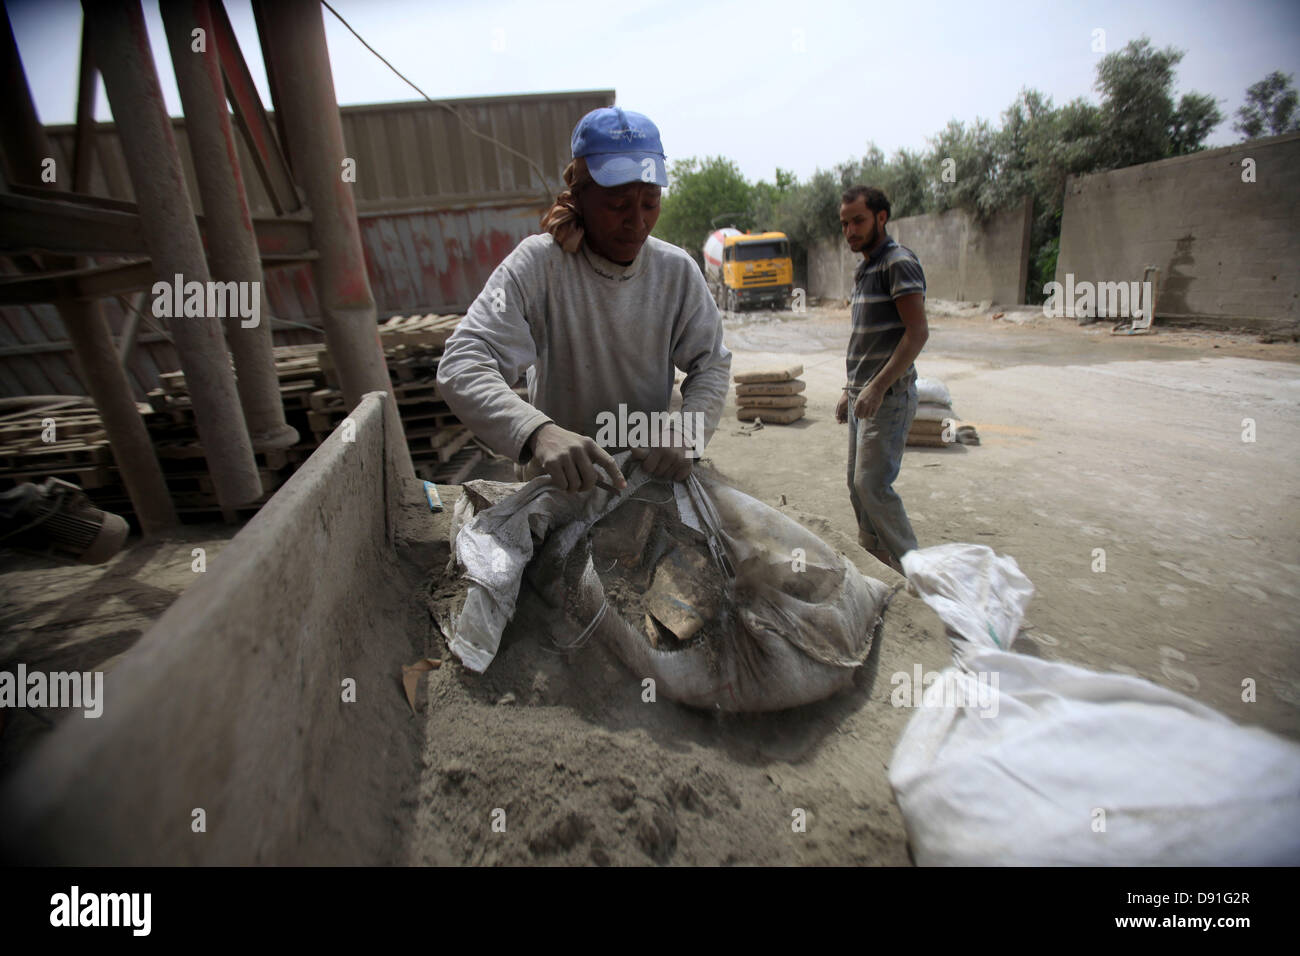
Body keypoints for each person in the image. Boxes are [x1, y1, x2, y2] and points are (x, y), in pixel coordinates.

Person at [436, 107, 731, 492]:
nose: (637, 222)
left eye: (650, 201)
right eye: (618, 204)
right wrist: (536, 433)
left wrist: (688, 432)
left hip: (644, 483)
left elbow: (711, 363)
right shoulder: (539, 266)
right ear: (580, 194)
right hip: (559, 488)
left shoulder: (675, 272)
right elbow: (461, 363)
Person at [834, 185, 929, 574]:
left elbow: (917, 333)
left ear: (881, 217)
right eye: (844, 224)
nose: (851, 231)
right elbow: (867, 338)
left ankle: (921, 576)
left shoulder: (898, 263)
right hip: (863, 397)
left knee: (872, 487)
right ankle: (877, 563)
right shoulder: (866, 268)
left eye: (858, 220)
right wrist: (850, 387)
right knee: (858, 489)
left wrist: (877, 387)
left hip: (886, 399)